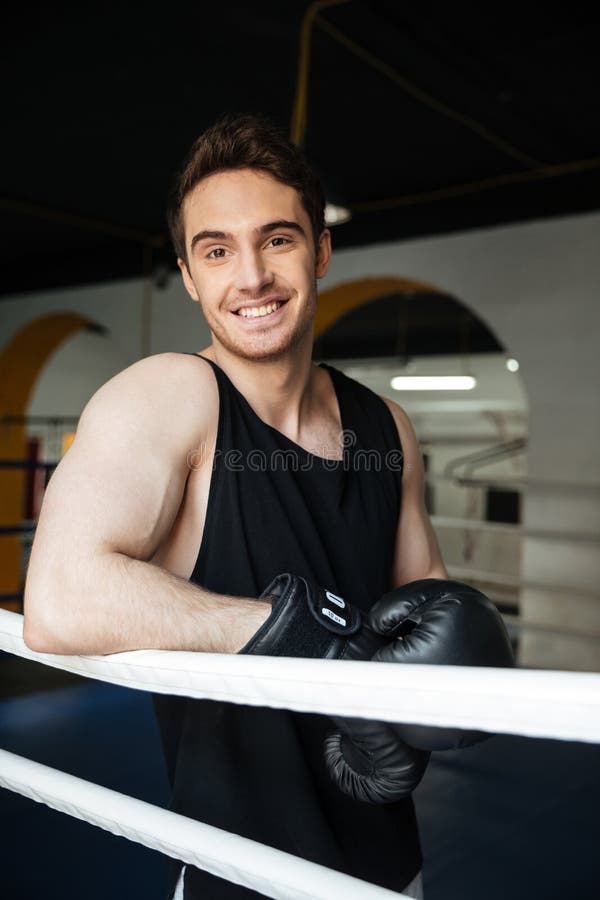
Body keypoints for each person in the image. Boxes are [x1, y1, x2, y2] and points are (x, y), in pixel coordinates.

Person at [23, 113, 459, 899]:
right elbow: (56, 599)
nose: (250, 276)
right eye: (216, 250)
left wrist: (445, 688)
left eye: (278, 240)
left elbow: (425, 610)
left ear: (321, 252)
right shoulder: (171, 397)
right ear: (190, 276)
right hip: (235, 874)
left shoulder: (383, 426)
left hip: (392, 869)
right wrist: (286, 635)